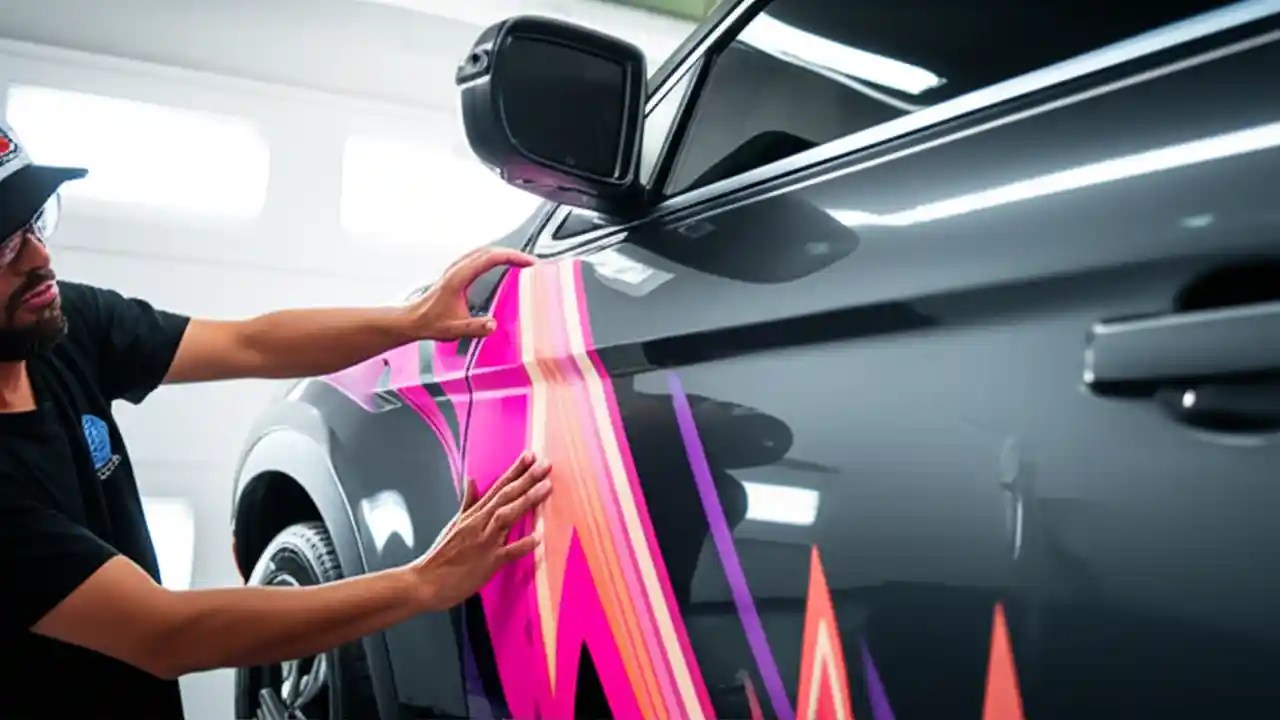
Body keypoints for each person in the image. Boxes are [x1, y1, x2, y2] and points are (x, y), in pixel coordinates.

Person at [0, 119, 552, 719]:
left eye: (37, 221)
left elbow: (250, 344)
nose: (40, 255)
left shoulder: (60, 326)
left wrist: (414, 319)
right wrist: (420, 584)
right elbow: (166, 634)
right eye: (4, 242)